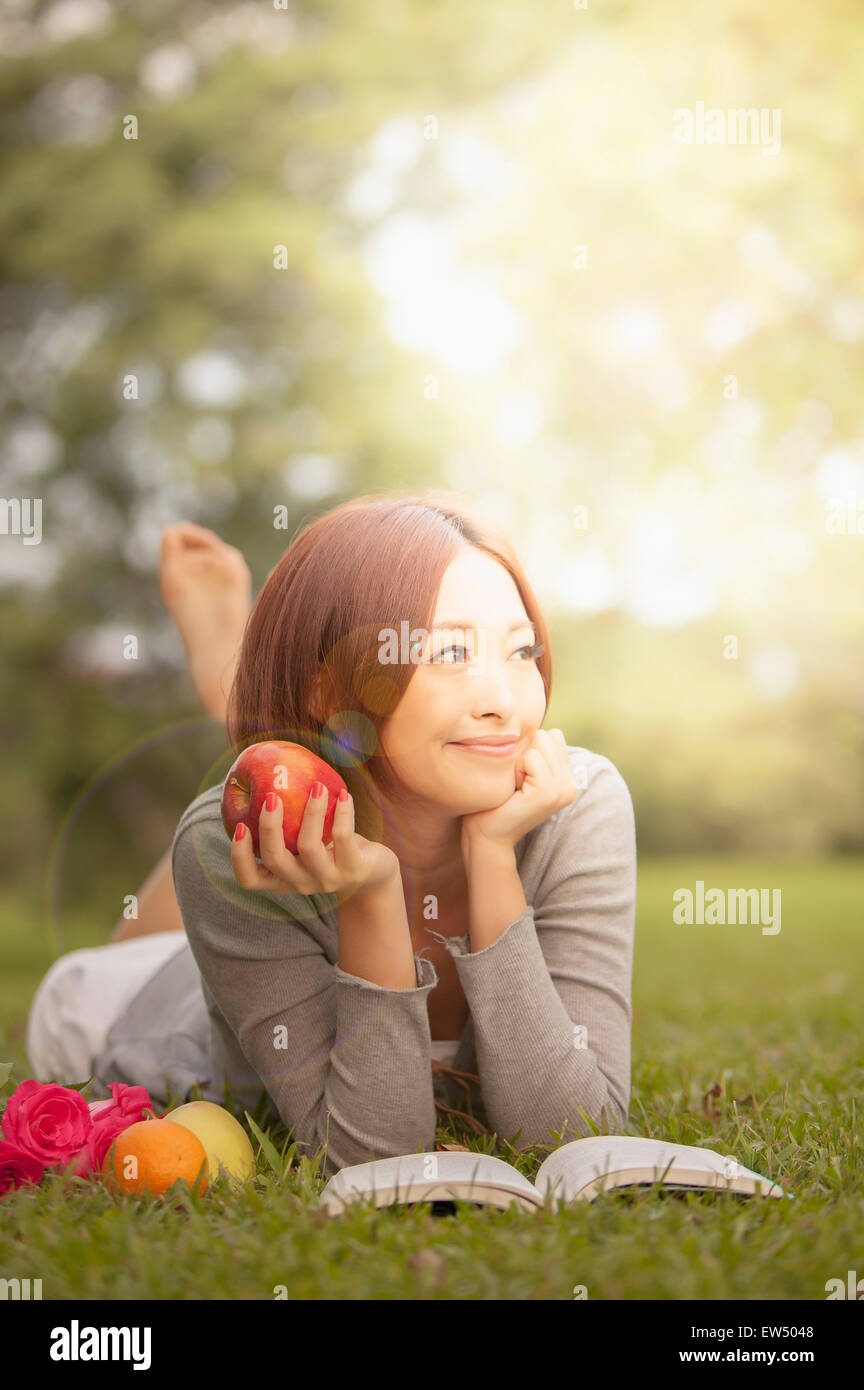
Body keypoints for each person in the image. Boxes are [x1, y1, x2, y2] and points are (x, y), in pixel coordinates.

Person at [26, 494, 637, 1177]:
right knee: (220, 840)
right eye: (450, 653)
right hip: (132, 1004)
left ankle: (242, 709)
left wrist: (493, 859)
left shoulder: (578, 801)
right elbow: (373, 1156)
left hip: (301, 810)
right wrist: (371, 897)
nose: (504, 700)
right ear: (330, 687)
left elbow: (576, 1134)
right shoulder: (226, 855)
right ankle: (244, 709)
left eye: (522, 650)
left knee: (256, 812)